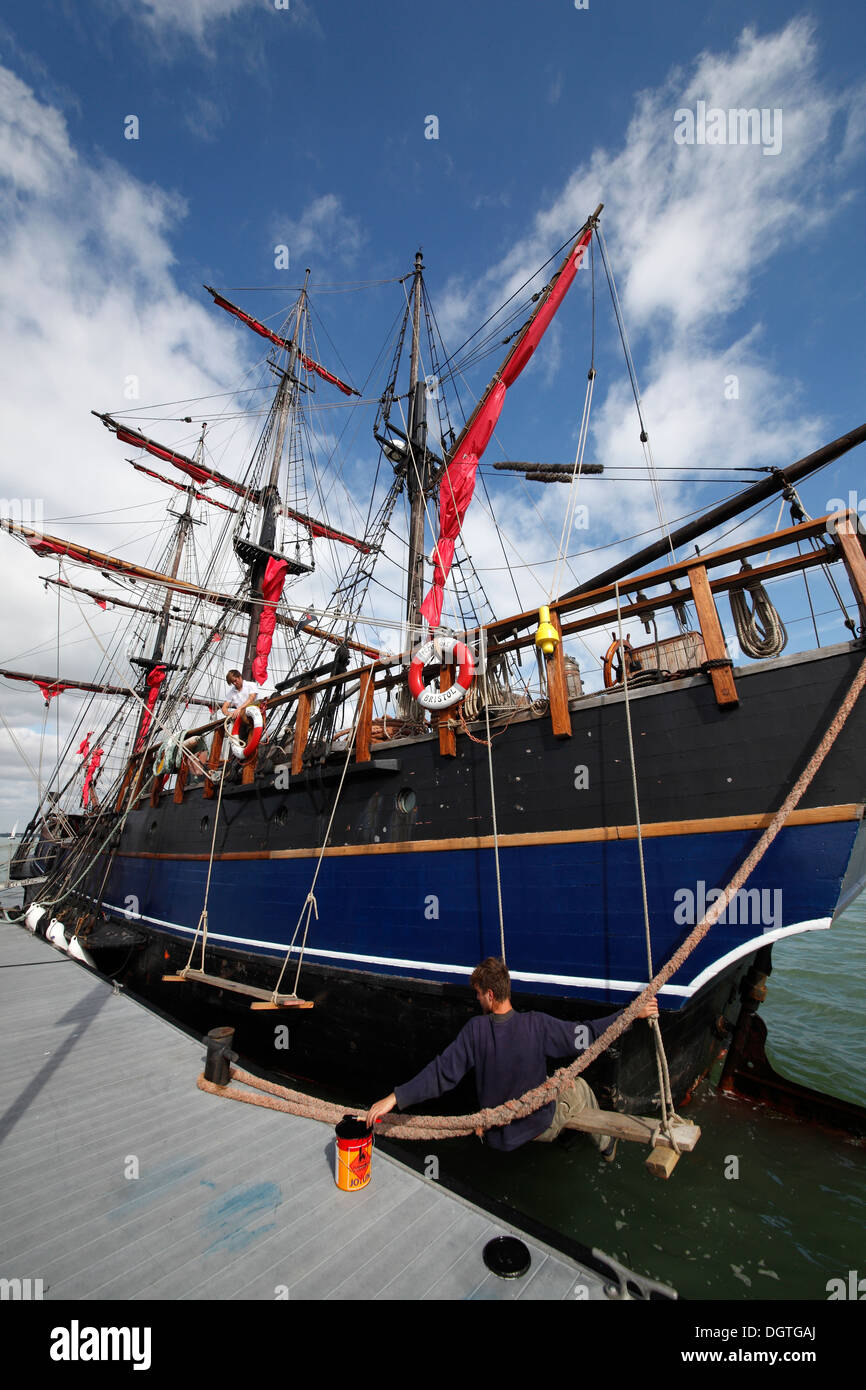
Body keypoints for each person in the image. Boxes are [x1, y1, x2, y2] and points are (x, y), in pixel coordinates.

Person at [366, 957, 659, 1155]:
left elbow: (441, 1074)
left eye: (478, 994)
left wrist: (394, 1098)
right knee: (578, 1086)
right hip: (536, 1128)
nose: (477, 1000)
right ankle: (608, 1149)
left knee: (553, 1081)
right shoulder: (537, 1025)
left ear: (490, 995)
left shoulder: (475, 1031)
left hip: (497, 1138)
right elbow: (588, 1033)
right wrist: (632, 1013)